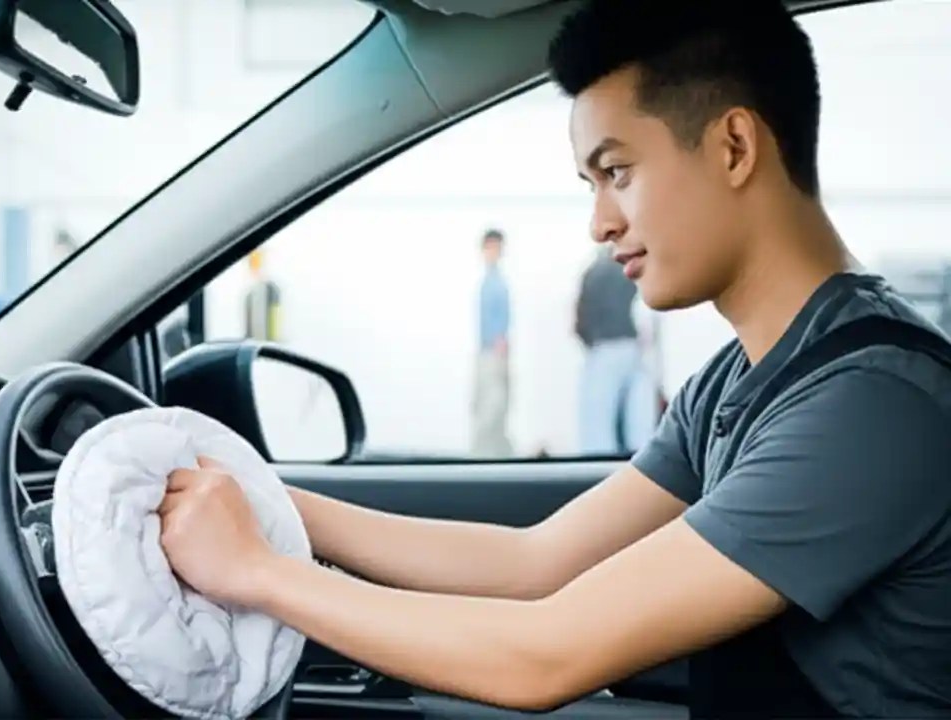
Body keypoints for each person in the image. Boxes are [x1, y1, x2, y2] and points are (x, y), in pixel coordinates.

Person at [155, 1, 951, 716]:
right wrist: (265, 500)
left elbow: (548, 653)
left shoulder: (875, 405)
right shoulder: (744, 376)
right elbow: (537, 563)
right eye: (590, 183)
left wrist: (258, 573)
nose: (599, 224)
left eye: (618, 173)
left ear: (734, 146)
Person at [574, 246, 657, 454]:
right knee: (639, 422)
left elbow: (580, 318)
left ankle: (600, 477)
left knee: (598, 426)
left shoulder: (592, 274)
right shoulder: (631, 271)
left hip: (604, 349)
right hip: (633, 348)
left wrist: (587, 340)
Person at [472, 229, 513, 457]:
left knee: (494, 405)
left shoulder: (497, 283)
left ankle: (491, 453)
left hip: (494, 352)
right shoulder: (489, 282)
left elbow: (501, 324)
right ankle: (485, 452)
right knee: (485, 403)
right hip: (487, 351)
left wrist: (499, 347)